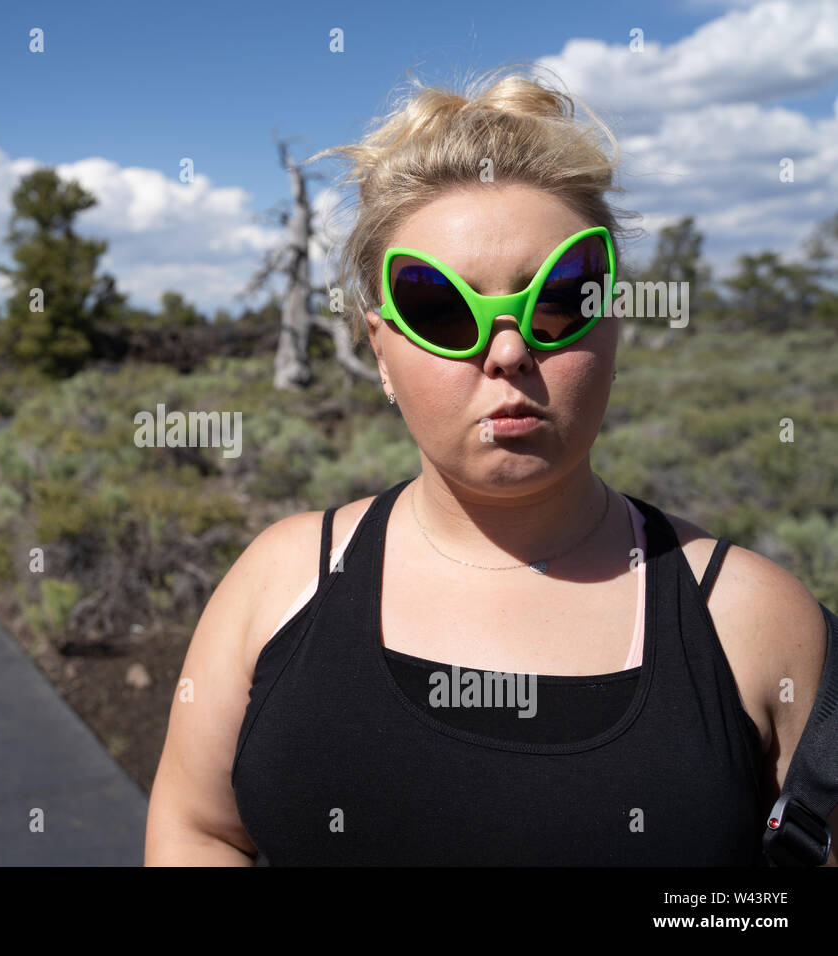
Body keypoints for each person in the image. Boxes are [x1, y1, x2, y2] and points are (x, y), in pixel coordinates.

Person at [143, 65, 834, 866]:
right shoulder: (281, 581)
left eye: (559, 297)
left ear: (612, 325)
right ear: (380, 349)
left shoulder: (752, 620)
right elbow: (198, 827)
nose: (509, 350)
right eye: (440, 307)